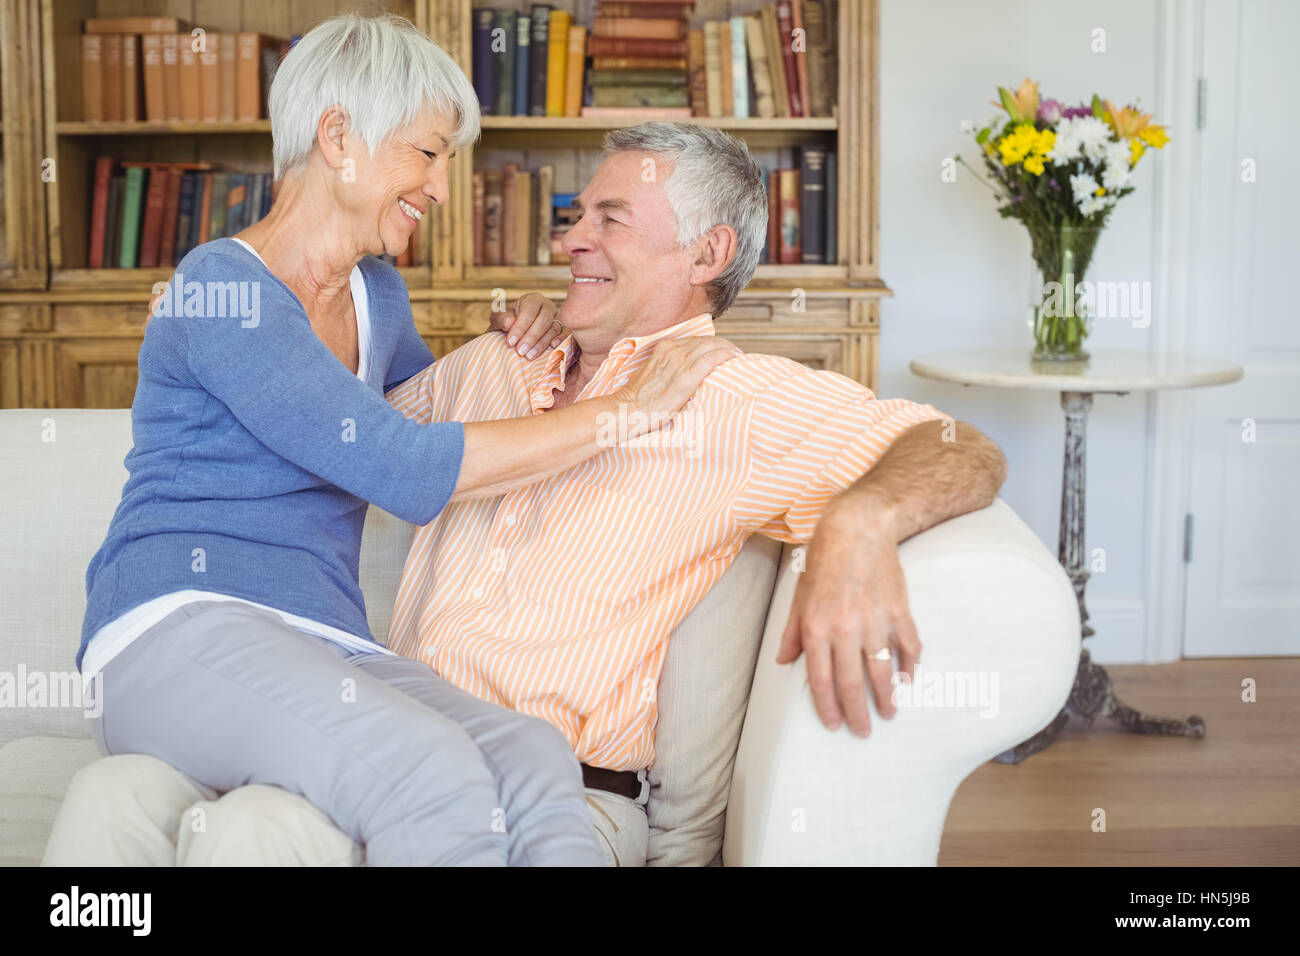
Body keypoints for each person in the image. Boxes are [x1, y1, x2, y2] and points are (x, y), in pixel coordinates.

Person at [46, 122, 1007, 867]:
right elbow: (330, 425)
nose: (571, 238)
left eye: (609, 220)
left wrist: (860, 522)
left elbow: (960, 446)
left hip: (559, 795)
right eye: (575, 212)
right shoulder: (495, 369)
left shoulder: (742, 402)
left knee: (254, 832)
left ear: (708, 255)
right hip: (371, 738)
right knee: (166, 811)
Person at [41, 19, 735, 868]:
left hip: (323, 640)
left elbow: (424, 420)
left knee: (530, 753)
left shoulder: (378, 294)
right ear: (338, 138)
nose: (443, 186)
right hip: (173, 630)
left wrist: (523, 329)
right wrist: (630, 407)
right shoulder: (219, 289)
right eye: (429, 153)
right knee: (428, 773)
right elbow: (404, 467)